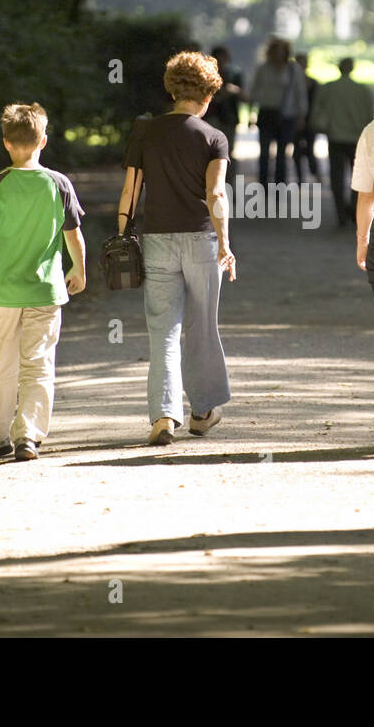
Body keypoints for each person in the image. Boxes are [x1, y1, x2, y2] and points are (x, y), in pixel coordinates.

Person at [119, 51, 237, 446]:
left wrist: (122, 234)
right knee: (202, 328)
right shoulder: (214, 137)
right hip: (202, 239)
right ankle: (202, 412)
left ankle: (164, 416)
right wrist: (225, 243)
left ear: (172, 90)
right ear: (207, 95)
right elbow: (216, 194)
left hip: (156, 241)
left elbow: (130, 190)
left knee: (163, 332)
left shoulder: (145, 132)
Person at [0, 103, 86, 462]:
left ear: (6, 143)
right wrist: (78, 269)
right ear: (44, 141)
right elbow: (73, 234)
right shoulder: (59, 184)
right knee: (38, 363)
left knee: (2, 362)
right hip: (47, 290)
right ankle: (29, 436)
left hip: (3, 290)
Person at [310, 57, 374, 226]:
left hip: (335, 136)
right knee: (358, 176)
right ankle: (354, 208)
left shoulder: (329, 88)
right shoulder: (362, 90)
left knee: (336, 175)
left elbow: (317, 110)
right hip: (356, 138)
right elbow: (370, 115)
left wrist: (319, 125)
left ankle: (340, 212)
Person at [248, 37, 307, 185]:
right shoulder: (263, 68)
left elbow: (300, 93)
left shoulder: (293, 70)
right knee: (264, 154)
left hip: (286, 115)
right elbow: (254, 91)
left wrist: (301, 115)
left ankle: (280, 185)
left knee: (282, 154)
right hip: (266, 113)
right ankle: (263, 184)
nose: (278, 54)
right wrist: (251, 113)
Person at [207, 45, 243, 176]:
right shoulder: (207, 74)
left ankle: (227, 180)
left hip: (229, 117)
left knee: (228, 151)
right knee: (212, 151)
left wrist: (233, 91)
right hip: (212, 116)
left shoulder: (234, 74)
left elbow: (243, 95)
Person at [293, 52, 321, 183]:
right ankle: (300, 178)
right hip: (296, 118)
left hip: (311, 119)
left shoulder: (313, 83)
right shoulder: (291, 84)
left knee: (310, 148)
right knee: (297, 150)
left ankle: (314, 172)